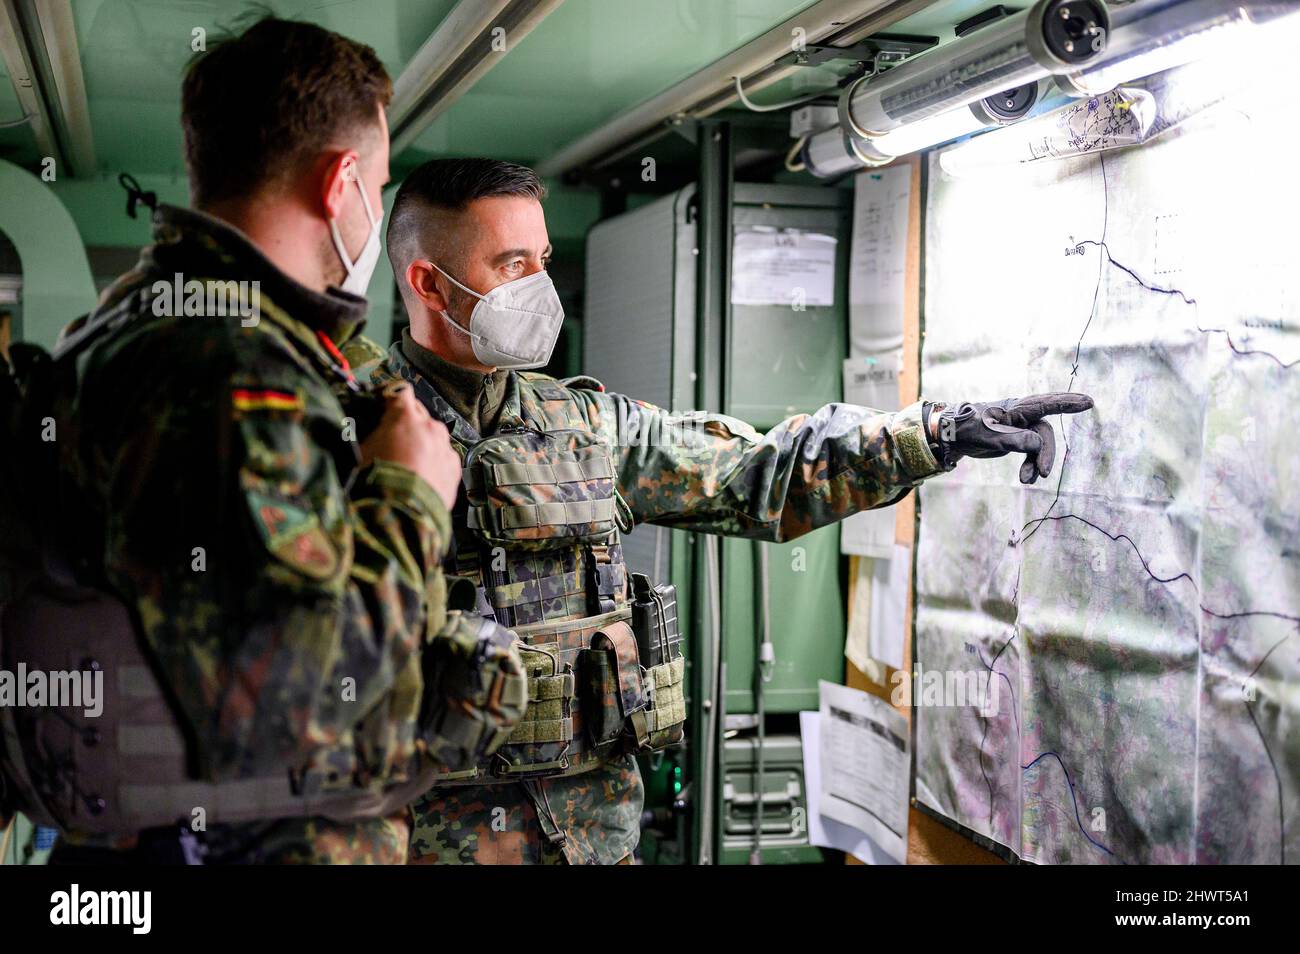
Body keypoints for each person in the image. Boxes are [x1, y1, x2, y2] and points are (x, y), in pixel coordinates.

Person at [375, 156, 1095, 865]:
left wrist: (934, 434)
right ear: (429, 283)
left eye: (543, 259)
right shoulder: (341, 438)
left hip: (589, 845)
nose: (540, 286)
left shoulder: (587, 428)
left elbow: (761, 470)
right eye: (511, 265)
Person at [0, 18, 474, 865]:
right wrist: (411, 493)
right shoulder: (225, 367)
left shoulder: (126, 327)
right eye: (381, 182)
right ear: (341, 183)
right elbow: (285, 703)